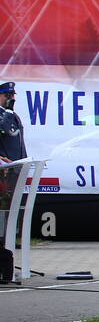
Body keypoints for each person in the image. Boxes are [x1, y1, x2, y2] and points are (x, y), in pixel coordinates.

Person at [0, 82, 25, 284]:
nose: (11, 98)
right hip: (4, 175)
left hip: (14, 172)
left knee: (10, 221)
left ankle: (7, 261)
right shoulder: (4, 115)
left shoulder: (11, 114)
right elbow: (6, 131)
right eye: (8, 94)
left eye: (12, 94)